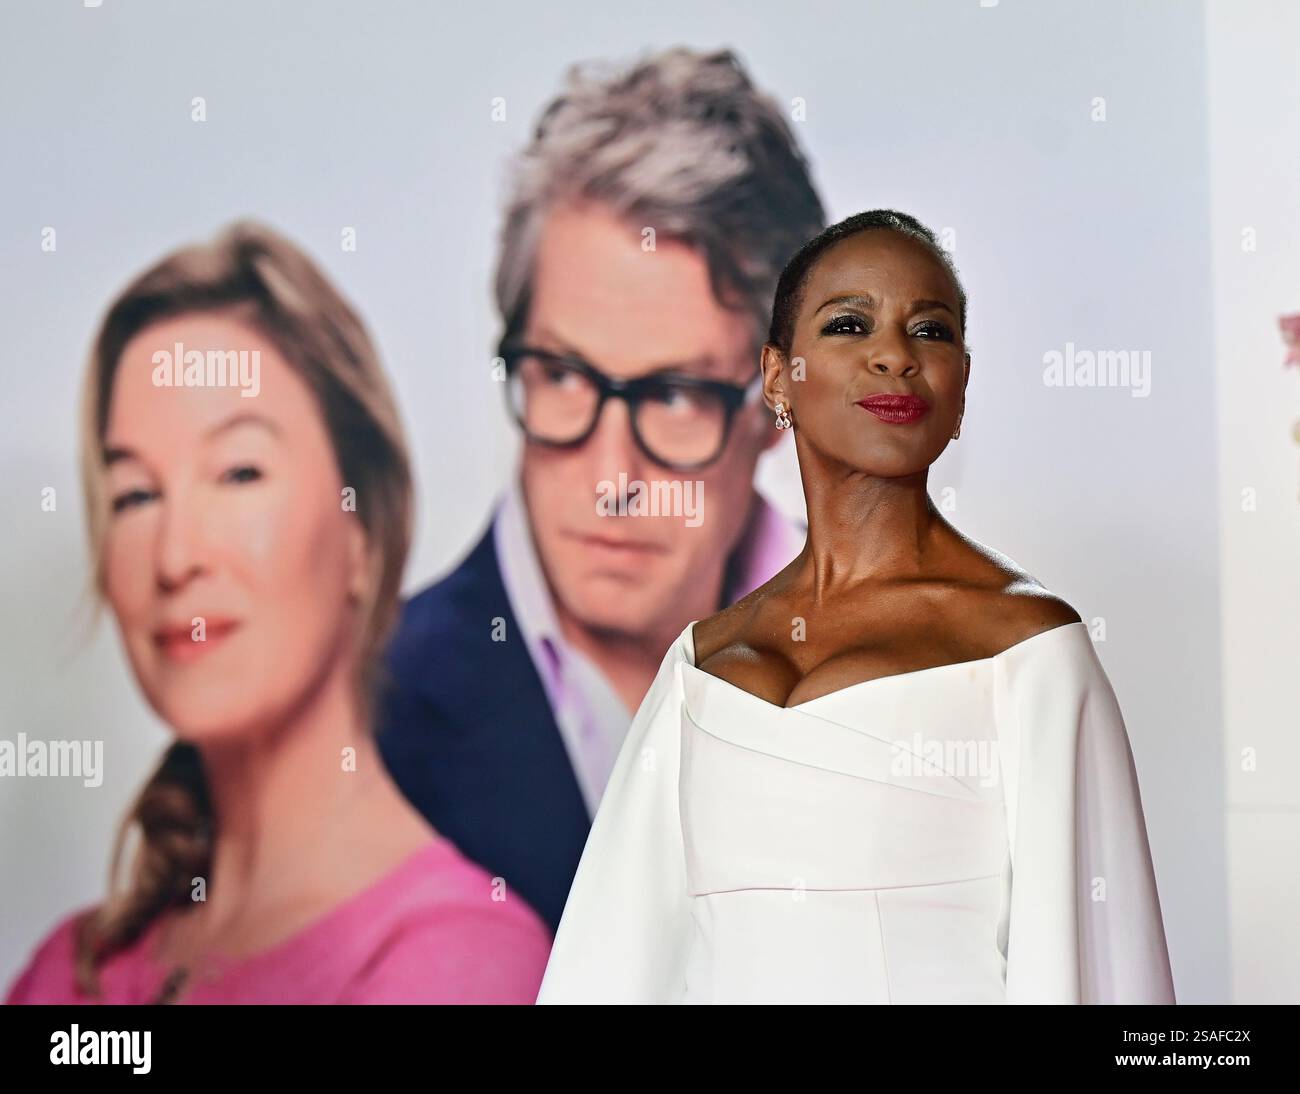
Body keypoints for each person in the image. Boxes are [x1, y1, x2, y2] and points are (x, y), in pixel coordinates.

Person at [536, 210, 1177, 1004]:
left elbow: (1093, 970)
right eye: (849, 323)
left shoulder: (1029, 652)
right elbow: (610, 968)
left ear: (962, 383)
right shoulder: (701, 668)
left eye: (931, 333)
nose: (895, 357)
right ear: (779, 377)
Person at [6, 223, 550, 1005]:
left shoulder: (461, 963)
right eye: (135, 494)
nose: (175, 556)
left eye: (237, 472)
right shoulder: (66, 974)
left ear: (362, 532)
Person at [379, 46, 825, 932]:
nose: (615, 483)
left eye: (673, 395)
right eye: (566, 376)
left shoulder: (918, 691)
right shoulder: (359, 721)